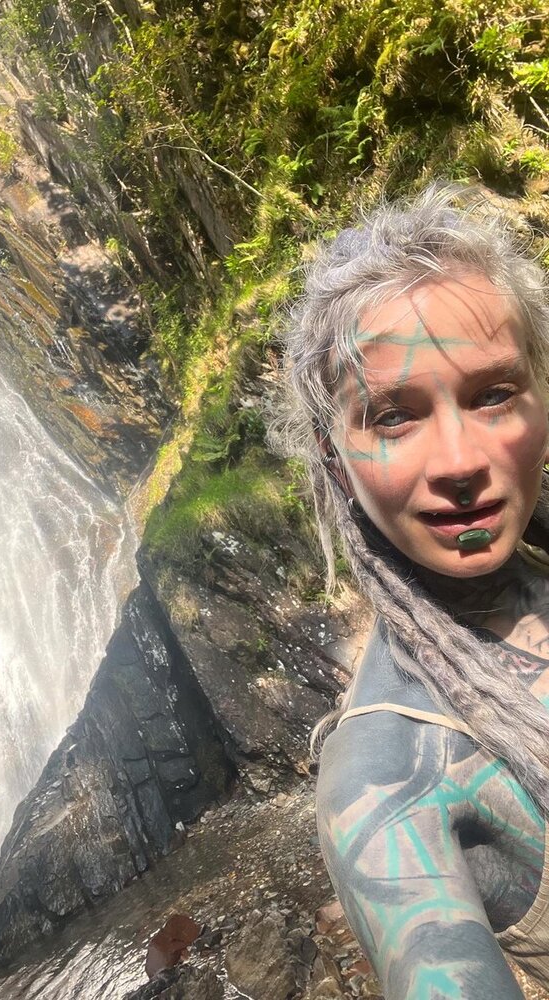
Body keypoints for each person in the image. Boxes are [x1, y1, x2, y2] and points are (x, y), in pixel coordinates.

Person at [266, 185, 549, 998]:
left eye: (493, 394)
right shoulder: (386, 777)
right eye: (394, 416)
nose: (459, 461)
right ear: (333, 455)